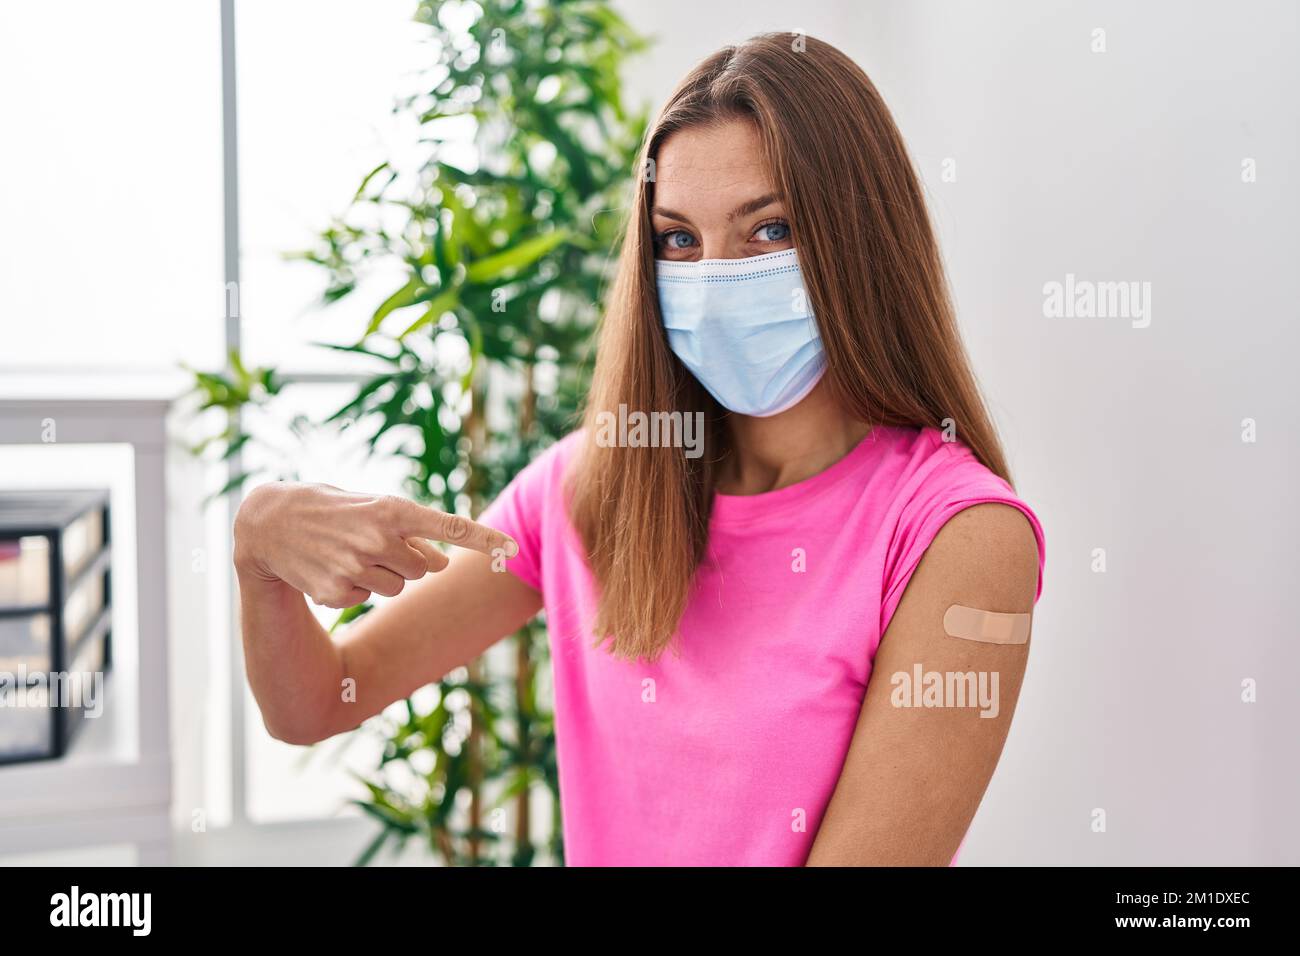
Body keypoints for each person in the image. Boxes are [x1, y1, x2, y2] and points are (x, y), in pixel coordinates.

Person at [233, 32, 1046, 866]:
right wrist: (258, 542)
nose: (717, 278)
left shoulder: (960, 536)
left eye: (768, 229)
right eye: (679, 240)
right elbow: (318, 703)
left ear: (861, 236)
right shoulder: (590, 486)